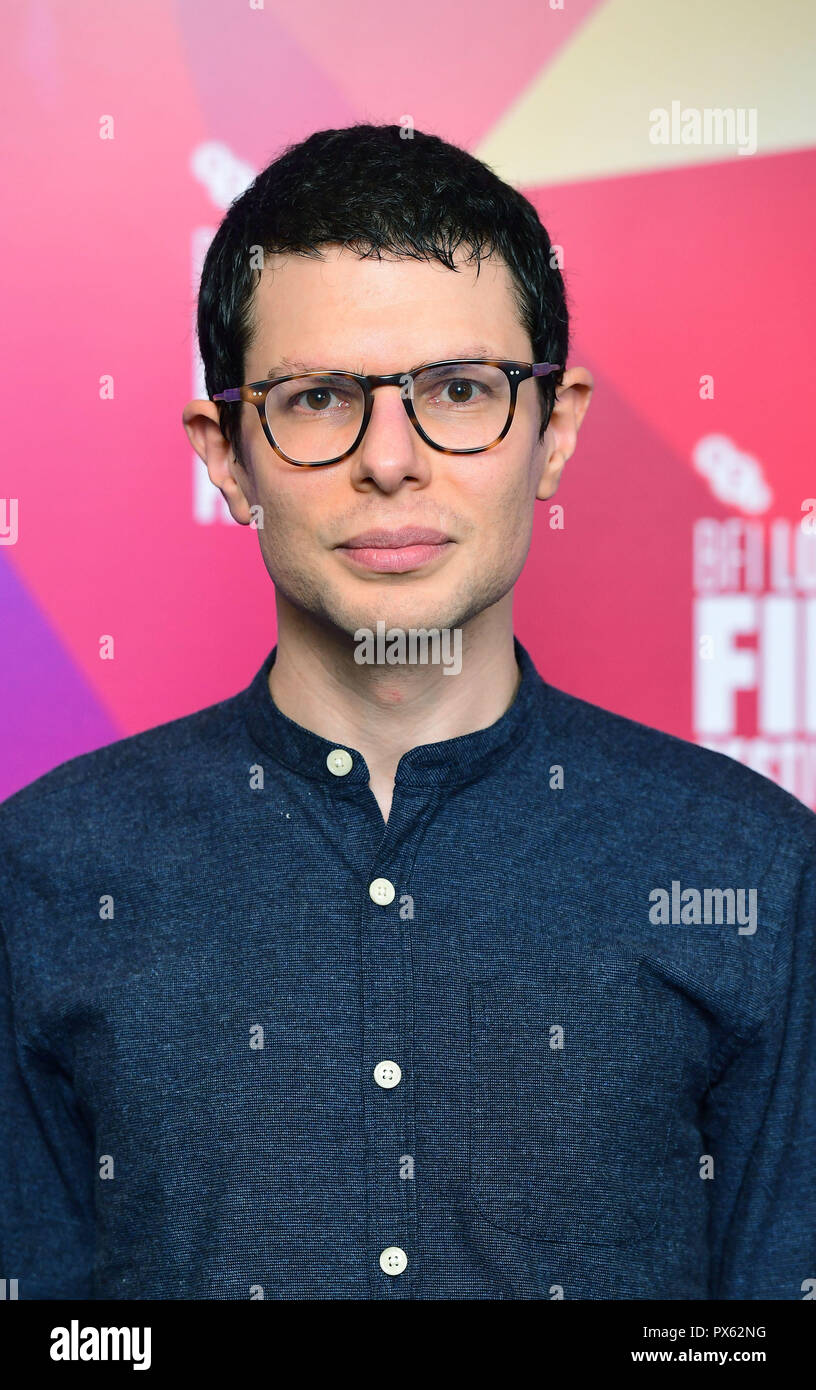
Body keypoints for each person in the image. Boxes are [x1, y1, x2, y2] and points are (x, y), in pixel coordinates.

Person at [1, 123, 813, 1301]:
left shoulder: (754, 871)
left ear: (556, 428)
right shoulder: (44, 872)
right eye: (320, 397)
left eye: (460, 390)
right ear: (227, 455)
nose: (392, 460)